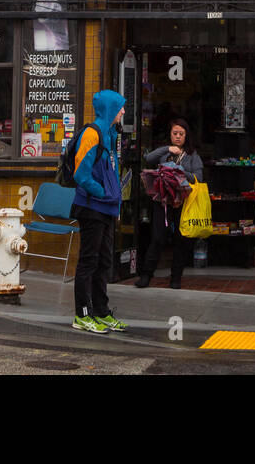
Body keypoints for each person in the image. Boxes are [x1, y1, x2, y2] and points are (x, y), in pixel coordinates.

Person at [71, 90, 128, 333]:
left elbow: (111, 173)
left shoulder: (110, 134)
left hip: (106, 208)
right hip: (92, 207)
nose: (123, 111)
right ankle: (82, 314)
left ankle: (101, 312)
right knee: (89, 262)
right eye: (120, 107)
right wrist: (103, 193)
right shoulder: (91, 134)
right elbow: (80, 174)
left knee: (104, 261)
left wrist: (114, 204)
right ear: (109, 109)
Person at [137, 117, 205, 289]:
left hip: (183, 203)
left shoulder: (192, 155)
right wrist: (167, 149)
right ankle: (146, 275)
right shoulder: (165, 152)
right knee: (157, 238)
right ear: (170, 135)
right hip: (162, 201)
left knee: (180, 240)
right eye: (175, 133)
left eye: (181, 134)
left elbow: (199, 178)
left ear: (186, 135)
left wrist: (181, 172)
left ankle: (176, 278)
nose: (178, 136)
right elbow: (149, 158)